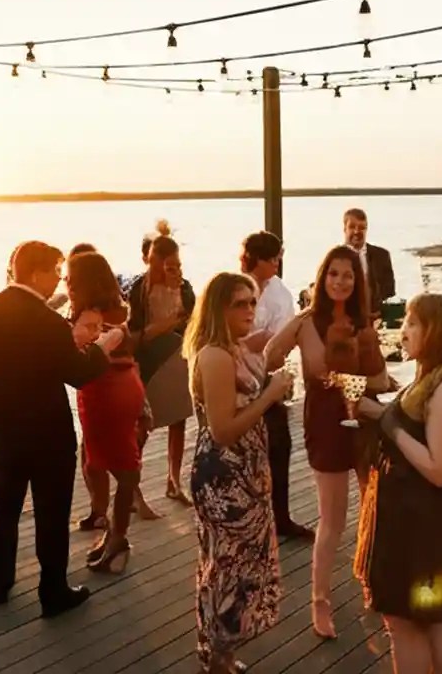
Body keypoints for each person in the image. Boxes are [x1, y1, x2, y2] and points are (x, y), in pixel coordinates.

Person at [0, 241, 122, 617]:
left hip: (5, 433)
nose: (58, 280)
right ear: (35, 274)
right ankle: (53, 590)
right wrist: (104, 347)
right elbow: (78, 374)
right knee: (51, 513)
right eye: (54, 272)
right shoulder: (48, 321)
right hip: (48, 435)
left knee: (4, 507)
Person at [264, 246, 389, 639]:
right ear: (323, 278)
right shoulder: (306, 322)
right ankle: (320, 600)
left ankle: (372, 579)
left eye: (348, 275)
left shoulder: (363, 323)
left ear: (357, 282)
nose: (340, 281)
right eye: (333, 274)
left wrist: (347, 382)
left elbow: (383, 381)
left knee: (375, 509)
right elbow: (269, 357)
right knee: (332, 519)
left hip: (364, 422)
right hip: (325, 422)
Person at [355, 293, 442, 674]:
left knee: (414, 623)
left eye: (412, 323)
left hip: (424, 528)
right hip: (409, 520)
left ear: (437, 331)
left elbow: (440, 468)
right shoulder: (429, 376)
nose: (403, 330)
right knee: (421, 620)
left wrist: (388, 424)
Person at [185, 272, 291, 674]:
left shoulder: (233, 348)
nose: (250, 309)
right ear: (218, 309)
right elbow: (223, 429)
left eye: (252, 301)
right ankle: (215, 658)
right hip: (222, 478)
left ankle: (221, 654)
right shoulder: (213, 354)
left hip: (249, 472)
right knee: (226, 569)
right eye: (239, 304)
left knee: (238, 567)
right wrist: (270, 395)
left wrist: (260, 351)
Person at [68, 250, 145, 574]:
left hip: (104, 390)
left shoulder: (90, 314)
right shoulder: (120, 306)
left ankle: (119, 539)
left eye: (70, 276)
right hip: (126, 383)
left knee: (117, 466)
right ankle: (114, 532)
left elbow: (77, 352)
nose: (66, 281)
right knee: (114, 462)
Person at [239, 230, 313, 539]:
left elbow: (282, 338)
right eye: (274, 259)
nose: (278, 263)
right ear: (257, 259)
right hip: (231, 374)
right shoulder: (232, 285)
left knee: (279, 445)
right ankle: (244, 518)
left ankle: (280, 517)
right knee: (238, 450)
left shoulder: (280, 293)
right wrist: (247, 343)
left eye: (279, 257)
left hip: (266, 375)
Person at [127, 221, 196, 505]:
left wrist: (179, 297)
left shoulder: (185, 288)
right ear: (152, 261)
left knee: (178, 420)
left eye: (176, 264)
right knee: (141, 425)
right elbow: (135, 335)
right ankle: (132, 487)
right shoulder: (139, 290)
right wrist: (166, 324)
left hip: (176, 358)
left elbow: (194, 322)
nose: (171, 269)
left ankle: (174, 481)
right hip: (148, 360)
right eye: (165, 264)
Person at [344, 208, 396, 320]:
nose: (357, 232)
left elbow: (389, 291)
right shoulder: (335, 256)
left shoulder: (382, 255)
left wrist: (379, 312)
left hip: (376, 319)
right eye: (352, 227)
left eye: (361, 228)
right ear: (345, 229)